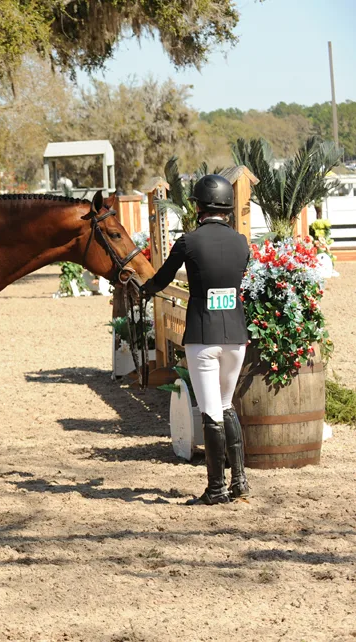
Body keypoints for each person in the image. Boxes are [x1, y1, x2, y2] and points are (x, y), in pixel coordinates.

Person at [140, 174, 251, 505]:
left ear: (199, 206)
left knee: (210, 412)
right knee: (227, 404)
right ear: (227, 208)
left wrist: (141, 290)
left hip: (203, 337)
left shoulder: (188, 242)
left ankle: (216, 489)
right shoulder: (242, 242)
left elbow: (160, 280)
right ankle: (240, 481)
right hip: (235, 337)